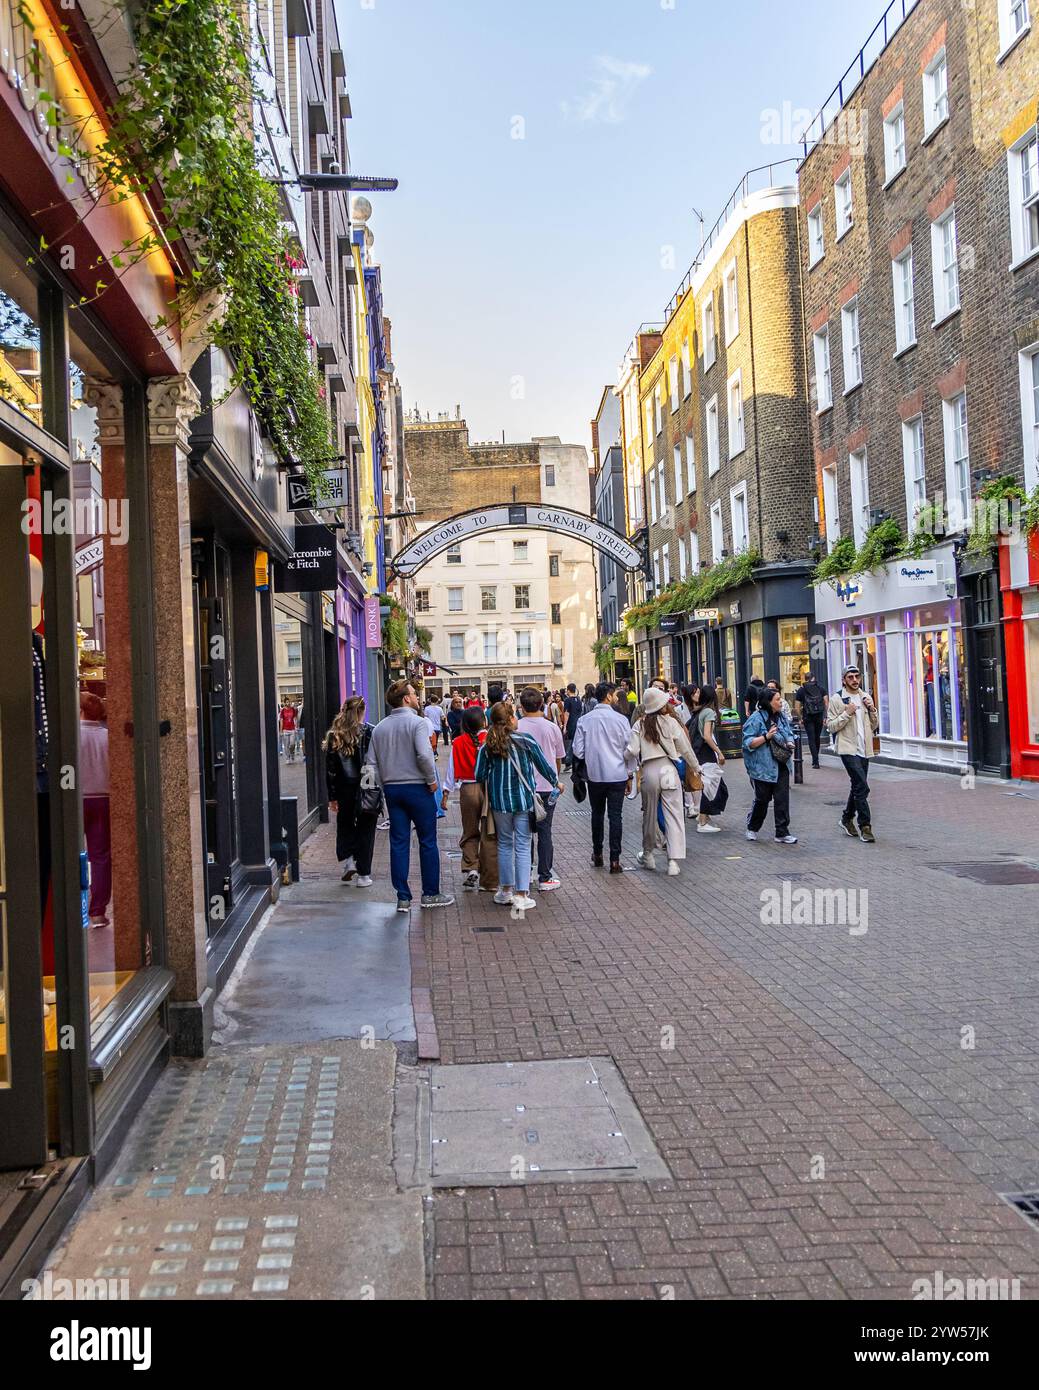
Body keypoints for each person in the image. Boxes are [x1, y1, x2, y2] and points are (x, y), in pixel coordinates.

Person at [365, 680, 454, 912]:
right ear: (406, 698)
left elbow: (370, 764)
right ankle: (430, 893)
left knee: (399, 842)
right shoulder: (418, 723)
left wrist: (376, 788)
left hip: (393, 789)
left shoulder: (380, 727)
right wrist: (432, 780)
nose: (417, 697)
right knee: (427, 841)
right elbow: (424, 755)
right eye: (414, 694)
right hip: (418, 787)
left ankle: (403, 897)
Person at [475, 701, 564, 911]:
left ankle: (505, 890)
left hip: (499, 802)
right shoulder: (525, 741)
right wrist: (556, 782)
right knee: (523, 844)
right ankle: (522, 894)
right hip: (523, 800)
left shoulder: (488, 744)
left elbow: (479, 774)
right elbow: (544, 765)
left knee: (504, 844)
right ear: (511, 719)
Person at [627, 686, 697, 876]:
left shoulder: (639, 724)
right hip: (669, 769)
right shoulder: (671, 722)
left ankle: (648, 854)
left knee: (649, 816)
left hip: (649, 769)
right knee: (674, 815)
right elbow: (685, 749)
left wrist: (625, 761)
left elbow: (632, 751)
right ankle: (673, 861)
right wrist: (697, 768)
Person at [573, 682, 635, 873]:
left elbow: (578, 750)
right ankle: (615, 859)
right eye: (615, 695)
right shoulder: (621, 720)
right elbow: (630, 749)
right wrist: (630, 774)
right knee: (616, 816)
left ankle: (598, 853)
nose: (617, 698)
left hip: (595, 775)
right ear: (608, 696)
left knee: (597, 814)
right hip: (617, 774)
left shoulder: (585, 720)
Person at [324, 696, 378, 887]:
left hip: (344, 787)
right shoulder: (370, 731)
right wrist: (372, 787)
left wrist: (332, 797)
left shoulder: (334, 734)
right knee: (367, 828)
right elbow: (373, 762)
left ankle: (348, 861)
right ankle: (364, 875)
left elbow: (331, 769)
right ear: (363, 711)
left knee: (345, 823)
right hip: (366, 783)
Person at [444, 705, 498, 893]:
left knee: (469, 832)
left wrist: (445, 792)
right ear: (483, 721)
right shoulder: (491, 739)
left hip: (467, 789)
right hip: (489, 789)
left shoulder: (458, 742)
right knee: (490, 833)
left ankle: (471, 867)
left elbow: (451, 770)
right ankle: (490, 879)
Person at [517, 686, 566, 890]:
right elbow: (558, 759)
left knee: (523, 831)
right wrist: (556, 780)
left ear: (521, 706)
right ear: (542, 704)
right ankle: (545, 876)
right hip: (547, 786)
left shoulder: (516, 727)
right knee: (545, 831)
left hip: (522, 786)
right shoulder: (551, 727)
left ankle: (525, 872)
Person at [827, 663, 879, 843]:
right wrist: (846, 714)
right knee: (863, 786)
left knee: (857, 786)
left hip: (864, 748)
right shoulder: (837, 699)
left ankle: (846, 818)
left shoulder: (865, 696)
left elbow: (873, 726)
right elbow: (831, 726)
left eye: (857, 676)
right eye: (850, 677)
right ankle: (865, 826)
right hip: (847, 748)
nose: (855, 680)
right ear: (844, 680)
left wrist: (872, 709)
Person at [742, 687, 798, 844]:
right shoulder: (755, 719)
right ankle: (752, 827)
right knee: (762, 800)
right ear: (768, 702)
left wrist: (789, 742)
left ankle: (782, 832)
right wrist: (766, 737)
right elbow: (748, 743)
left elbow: (788, 733)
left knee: (782, 799)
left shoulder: (780, 717)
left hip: (781, 763)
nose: (781, 702)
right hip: (762, 767)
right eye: (777, 700)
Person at [80, 692, 111, 927]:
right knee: (100, 857)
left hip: (75, 800)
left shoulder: (72, 735)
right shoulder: (107, 736)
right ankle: (97, 912)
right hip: (102, 798)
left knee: (68, 855)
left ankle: (70, 907)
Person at [692, 684, 729, 833]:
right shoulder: (709, 712)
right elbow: (707, 735)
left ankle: (705, 818)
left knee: (712, 785)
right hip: (706, 753)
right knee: (712, 787)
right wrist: (719, 752)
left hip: (699, 752)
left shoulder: (699, 711)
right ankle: (702, 821)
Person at [794, 671, 829, 769]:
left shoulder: (801, 690)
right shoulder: (821, 689)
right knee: (817, 737)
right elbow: (826, 703)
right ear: (814, 678)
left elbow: (797, 707)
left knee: (811, 738)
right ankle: (816, 757)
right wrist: (826, 717)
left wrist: (800, 718)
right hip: (819, 715)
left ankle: (815, 761)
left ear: (805, 679)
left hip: (807, 717)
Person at [562, 682, 583, 766]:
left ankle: (568, 759)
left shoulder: (567, 700)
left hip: (571, 723)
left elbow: (566, 713)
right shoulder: (578, 699)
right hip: (578, 722)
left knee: (571, 741)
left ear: (568, 690)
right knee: (576, 741)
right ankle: (573, 759)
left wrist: (565, 726)